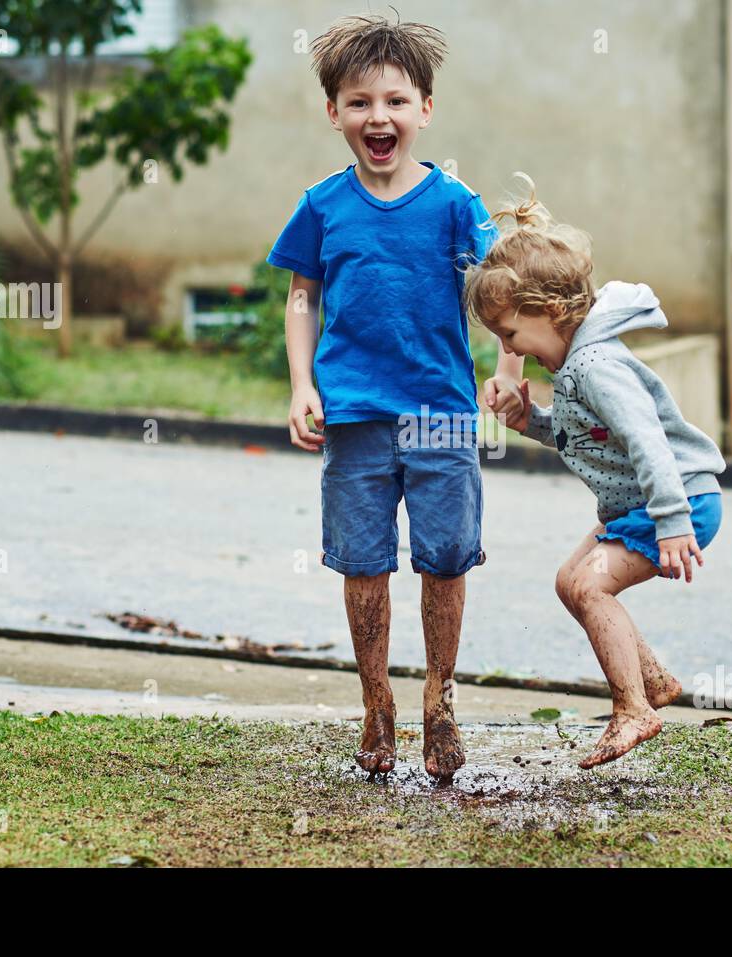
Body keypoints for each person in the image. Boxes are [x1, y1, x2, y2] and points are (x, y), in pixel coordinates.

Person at [266, 14, 526, 779]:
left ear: (425, 110)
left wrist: (511, 372)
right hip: (353, 415)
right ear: (334, 113)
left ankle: (438, 701)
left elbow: (505, 290)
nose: (378, 117)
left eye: (395, 101)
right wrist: (301, 384)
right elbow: (301, 298)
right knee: (363, 561)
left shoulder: (455, 204)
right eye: (359, 103)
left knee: (446, 560)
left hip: (441, 412)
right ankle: (375, 701)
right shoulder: (321, 205)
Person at [463, 175, 727, 768]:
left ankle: (633, 709)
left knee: (589, 586)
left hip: (677, 503)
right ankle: (652, 680)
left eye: (510, 333)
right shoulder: (577, 366)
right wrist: (527, 417)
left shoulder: (596, 365)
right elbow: (579, 434)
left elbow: (646, 439)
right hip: (647, 507)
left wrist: (672, 522)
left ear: (549, 311)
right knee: (568, 579)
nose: (511, 348)